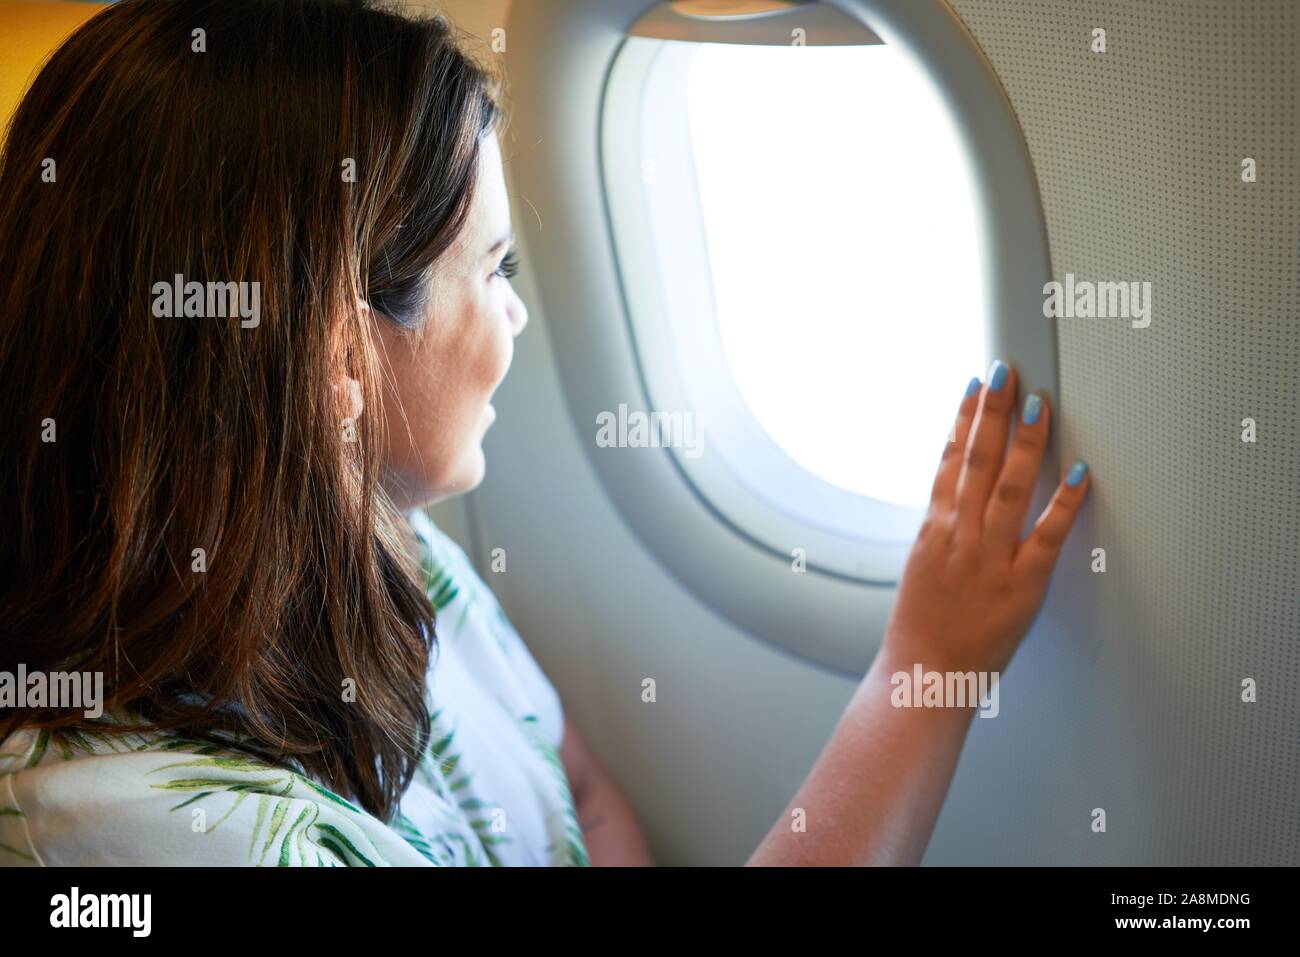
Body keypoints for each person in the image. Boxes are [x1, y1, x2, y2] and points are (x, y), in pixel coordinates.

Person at [0, 0, 1087, 867]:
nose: (515, 314)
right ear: (340, 356)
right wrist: (927, 665)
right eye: (493, 270)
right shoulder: (158, 838)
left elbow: (571, 782)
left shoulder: (389, 548)